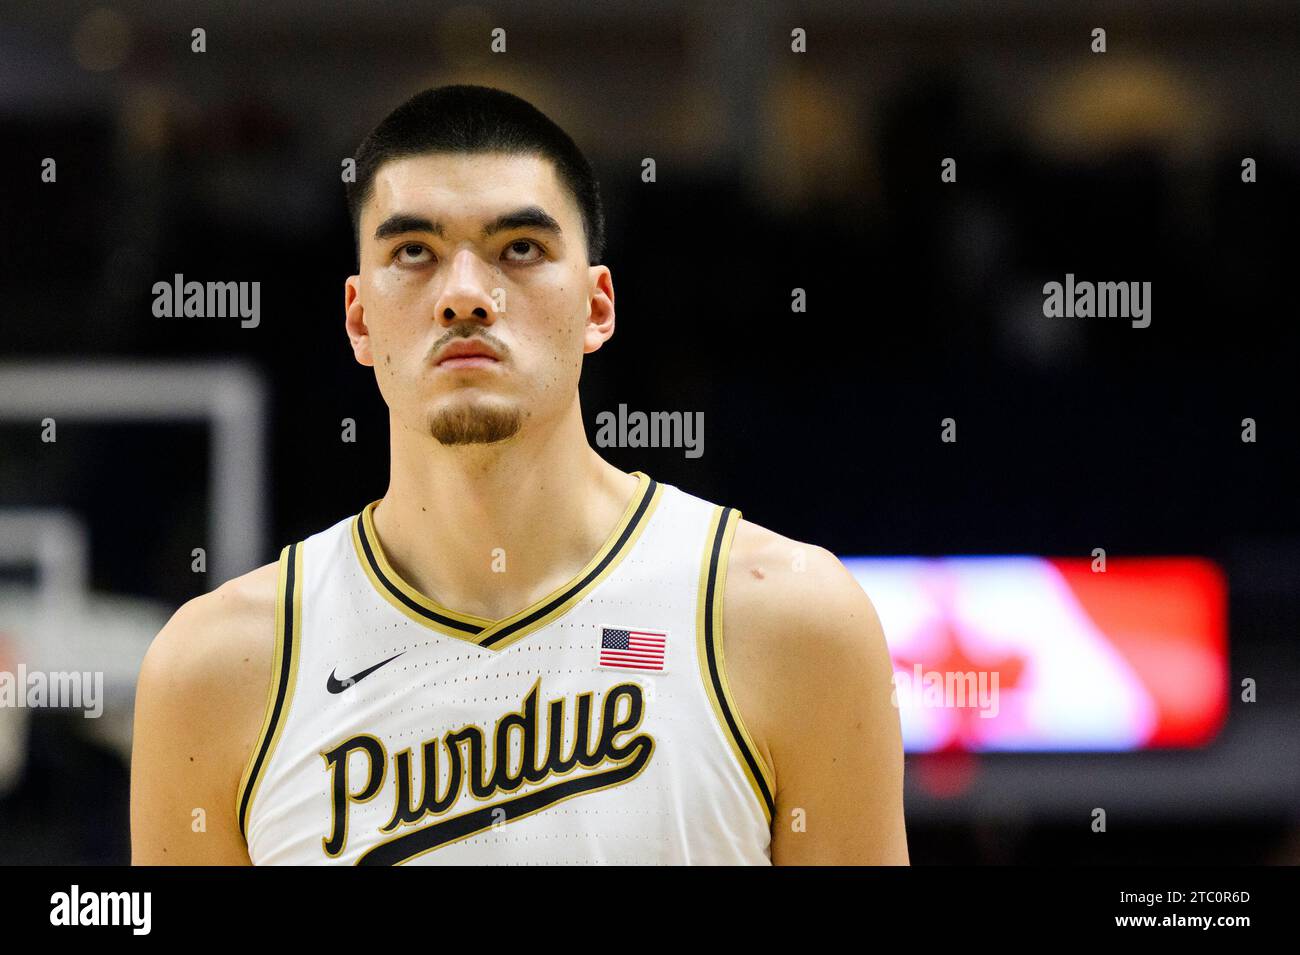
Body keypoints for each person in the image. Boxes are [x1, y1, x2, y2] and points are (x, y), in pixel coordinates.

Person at [130, 85, 908, 865]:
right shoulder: (213, 671)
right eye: (413, 253)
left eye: (520, 249)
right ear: (359, 318)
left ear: (599, 306)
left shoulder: (792, 622)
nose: (465, 294)